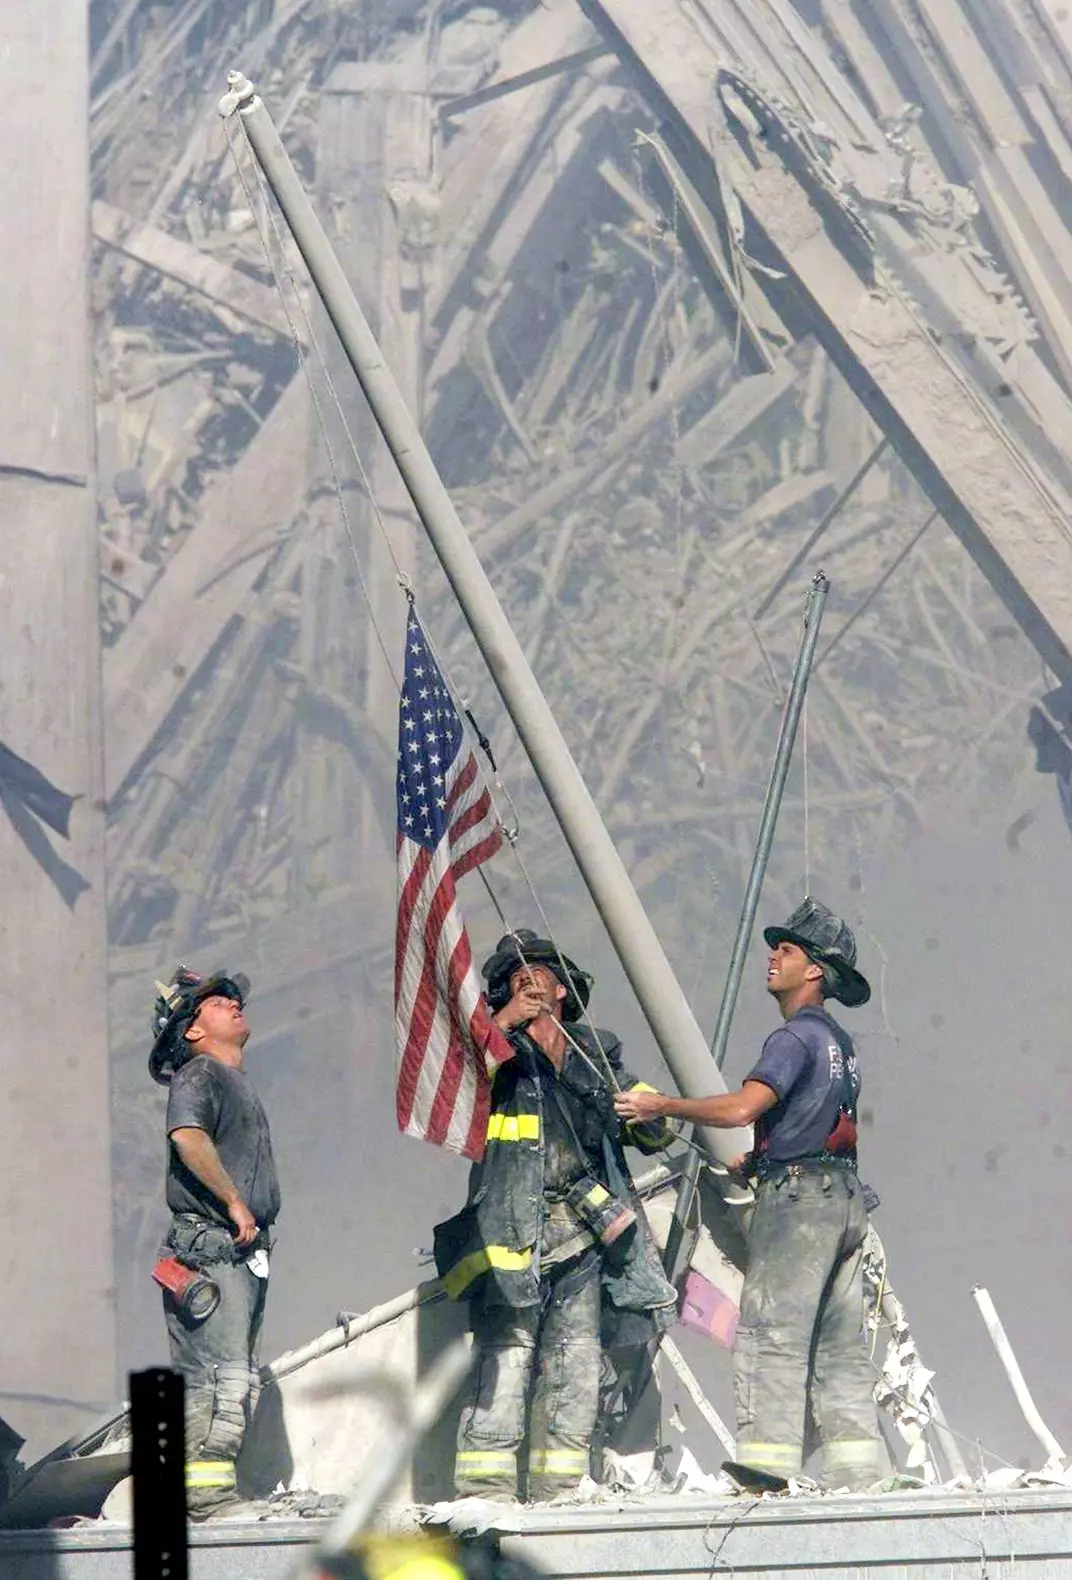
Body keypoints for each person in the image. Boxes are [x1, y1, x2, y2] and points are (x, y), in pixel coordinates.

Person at [614, 898, 882, 1491]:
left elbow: (741, 1108)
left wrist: (661, 1105)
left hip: (798, 1204)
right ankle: (862, 1471)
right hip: (843, 1199)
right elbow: (817, 1118)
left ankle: (767, 1464)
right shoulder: (839, 1042)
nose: (772, 957)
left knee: (771, 1331)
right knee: (838, 1342)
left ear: (814, 971)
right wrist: (761, 1158)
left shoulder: (792, 1037)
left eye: (786, 950)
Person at [435, 930, 678, 1503]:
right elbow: (453, 1085)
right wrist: (501, 1026)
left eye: (538, 970)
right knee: (507, 1355)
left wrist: (647, 1114)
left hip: (586, 1234)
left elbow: (655, 1130)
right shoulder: (491, 1054)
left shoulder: (598, 1055)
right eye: (514, 976)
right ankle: (485, 1489)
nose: (526, 977)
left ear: (564, 990)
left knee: (576, 1361)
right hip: (510, 1229)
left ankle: (559, 1486)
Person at [149, 966, 280, 1519]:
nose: (233, 1005)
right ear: (193, 1030)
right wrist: (231, 1199)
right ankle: (205, 1498)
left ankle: (211, 1491)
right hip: (210, 1249)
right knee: (217, 1379)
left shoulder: (231, 1080)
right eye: (218, 1003)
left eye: (232, 999)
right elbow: (188, 1137)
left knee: (234, 1375)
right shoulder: (199, 1073)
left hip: (238, 1253)